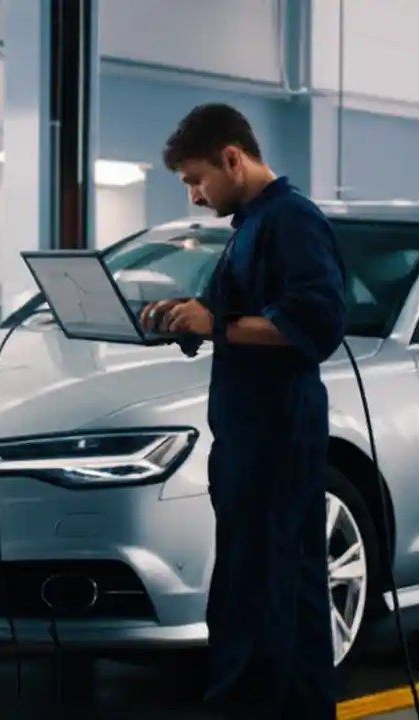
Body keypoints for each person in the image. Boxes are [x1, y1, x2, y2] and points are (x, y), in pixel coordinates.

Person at [141, 103, 348, 719]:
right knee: (269, 585)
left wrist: (219, 323)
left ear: (233, 158)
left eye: (196, 179)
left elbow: (319, 320)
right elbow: (234, 314)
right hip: (251, 432)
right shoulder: (253, 226)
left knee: (266, 591)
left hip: (279, 432)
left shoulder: (292, 220)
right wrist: (184, 314)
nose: (196, 195)